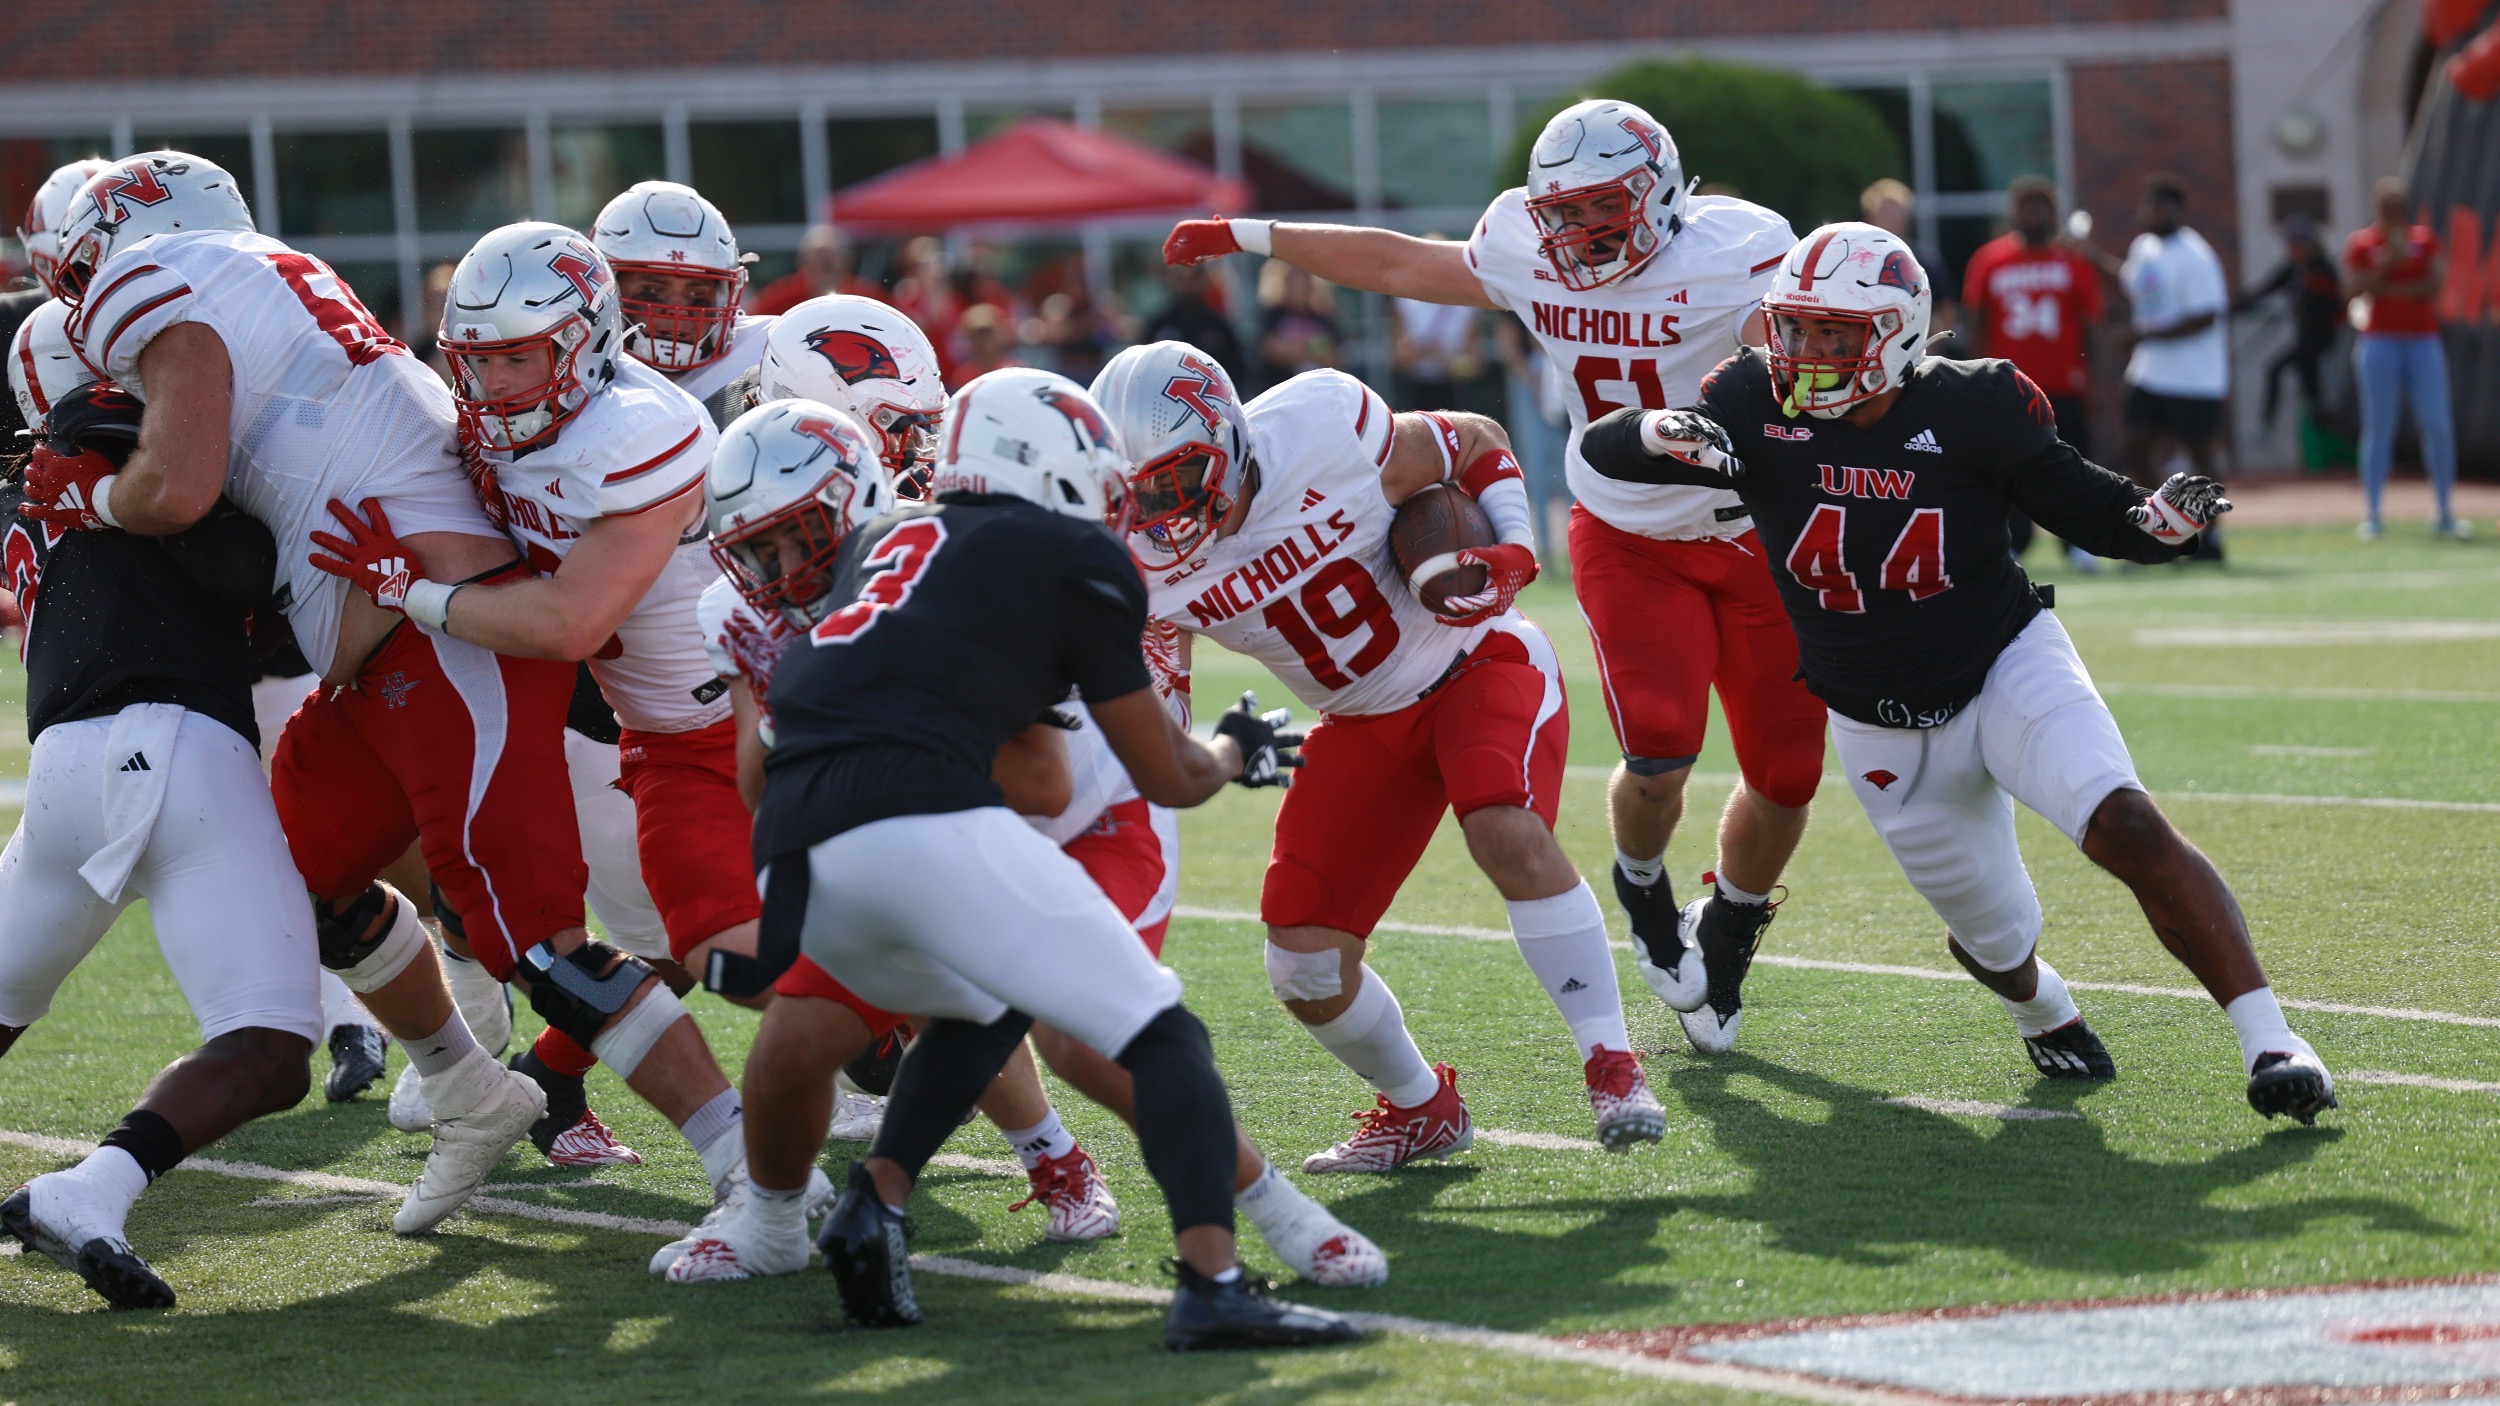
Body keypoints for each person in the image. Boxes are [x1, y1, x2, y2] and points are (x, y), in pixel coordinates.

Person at [1582, 220, 2337, 1125]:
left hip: (2003, 661)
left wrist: (2155, 525)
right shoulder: (1750, 398)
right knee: (1995, 938)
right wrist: (1658, 430)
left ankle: (2273, 1041)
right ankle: (2038, 1005)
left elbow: (2087, 505)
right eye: (1795, 329)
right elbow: (1602, 450)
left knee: (2124, 822)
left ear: (1897, 333)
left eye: (1836, 335)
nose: (1807, 354)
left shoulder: (1973, 404)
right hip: (1875, 721)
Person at [1162, 98, 1823, 1057]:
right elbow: (1399, 262)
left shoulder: (1742, 249)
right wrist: (1254, 234)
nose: (1579, 231)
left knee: (1790, 774)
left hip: (1750, 528)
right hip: (1626, 524)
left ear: (1663, 193)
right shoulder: (1524, 243)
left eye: (1602, 207)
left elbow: (1818, 338)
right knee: (1663, 745)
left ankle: (1728, 925)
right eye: (1562, 210)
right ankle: (1643, 887)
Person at [671, 397, 1383, 1286]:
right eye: (756, 551)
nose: (778, 571)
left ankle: (1267, 1223)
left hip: (1089, 815)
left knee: (1082, 1031)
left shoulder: (959, 562)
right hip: (930, 819)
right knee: (794, 1044)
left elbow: (1045, 778)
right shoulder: (867, 579)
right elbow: (758, 777)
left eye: (798, 537)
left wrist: (869, 727)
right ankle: (784, 1218)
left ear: (854, 502)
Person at [34, 151, 552, 1234]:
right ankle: (465, 1075)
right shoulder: (271, 286)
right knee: (314, 895)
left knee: (540, 918)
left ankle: (750, 1163)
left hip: (401, 617)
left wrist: (90, 491)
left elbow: (185, 499)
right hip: (380, 608)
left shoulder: (151, 306)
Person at [310, 219, 792, 1207]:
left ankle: (1003, 1108)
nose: (487, 388)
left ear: (581, 343)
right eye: (472, 362)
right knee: (701, 954)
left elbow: (571, 620)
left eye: (515, 357)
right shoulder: (494, 426)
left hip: (753, 720)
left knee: (819, 1000)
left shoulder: (638, 431)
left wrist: (416, 592)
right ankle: (529, 1072)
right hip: (655, 740)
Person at [1095, 339, 1666, 1163]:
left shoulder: (1322, 424)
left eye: (1175, 484)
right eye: (1135, 494)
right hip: (1360, 719)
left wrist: (1509, 547)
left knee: (1500, 824)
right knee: (1305, 968)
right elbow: (1158, 726)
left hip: (1474, 660)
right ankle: (1424, 1109)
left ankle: (1612, 1064)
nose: (1160, 515)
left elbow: (1473, 438)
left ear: (1226, 442)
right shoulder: (1138, 565)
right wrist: (1206, 752)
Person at [0, 332, 318, 1311]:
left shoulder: (30, 487)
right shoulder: (120, 443)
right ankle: (90, 1187)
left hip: (60, 769)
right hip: (172, 749)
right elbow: (241, 564)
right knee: (267, 1044)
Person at [1962, 177, 2106, 567]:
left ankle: (2078, 544)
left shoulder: (2073, 261)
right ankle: (2010, 545)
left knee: (2073, 468)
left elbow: (2091, 327)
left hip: (2064, 383)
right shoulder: (1990, 259)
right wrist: (1974, 379)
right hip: (2008, 385)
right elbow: (1977, 321)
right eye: (2027, 206)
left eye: (2042, 206)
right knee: (2005, 469)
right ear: (2014, 212)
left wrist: (2094, 383)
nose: (2035, 214)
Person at [2115, 175, 2231, 559]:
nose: (2154, 214)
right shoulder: (2143, 247)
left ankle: (2209, 536)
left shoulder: (2195, 255)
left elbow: (2206, 316)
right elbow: (2131, 287)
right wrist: (2085, 254)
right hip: (2150, 371)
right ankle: (2166, 526)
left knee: (2200, 456)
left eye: (2163, 207)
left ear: (2178, 212)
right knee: (2133, 448)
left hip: (2194, 376)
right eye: (2149, 206)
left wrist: (2144, 334)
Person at [2343, 177, 2463, 540]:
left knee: (2437, 425)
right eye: (2387, 209)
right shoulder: (2363, 243)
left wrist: (2388, 286)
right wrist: (2388, 266)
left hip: (2422, 340)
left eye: (2400, 208)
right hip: (2379, 340)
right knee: (2380, 428)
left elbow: (2432, 286)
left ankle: (2444, 511)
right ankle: (2374, 514)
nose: (2394, 216)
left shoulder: (2424, 239)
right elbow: (2353, 291)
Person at [594, 181, 771, 403]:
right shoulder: (573, 381)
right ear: (605, 288)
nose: (677, 311)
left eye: (698, 296)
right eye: (651, 291)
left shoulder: (765, 352)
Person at [2236, 215, 2344, 437]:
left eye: (2297, 243)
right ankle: (2272, 424)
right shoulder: (2293, 269)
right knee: (2305, 391)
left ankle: (2329, 436)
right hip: (2305, 342)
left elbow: (2333, 303)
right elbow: (2266, 289)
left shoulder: (2323, 270)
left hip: (2325, 343)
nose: (2292, 249)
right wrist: (2238, 304)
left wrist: (2303, 298)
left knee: (2293, 378)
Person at [747, 224, 879, 317]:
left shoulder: (866, 296)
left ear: (847, 260)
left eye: (832, 254)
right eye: (819, 254)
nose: (826, 261)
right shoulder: (783, 294)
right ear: (803, 260)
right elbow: (753, 323)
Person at [1144, 263, 1247, 383]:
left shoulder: (1218, 326)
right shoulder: (1159, 325)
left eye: (1194, 277)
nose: (1188, 284)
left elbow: (1237, 369)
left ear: (1204, 279)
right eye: (1180, 278)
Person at [1254, 261, 1340, 387]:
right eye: (1293, 277)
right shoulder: (1273, 315)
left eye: (1304, 277)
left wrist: (1294, 351)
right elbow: (1271, 350)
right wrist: (1312, 352)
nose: (1300, 283)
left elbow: (1336, 356)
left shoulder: (1323, 317)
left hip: (1319, 388)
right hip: (1280, 387)